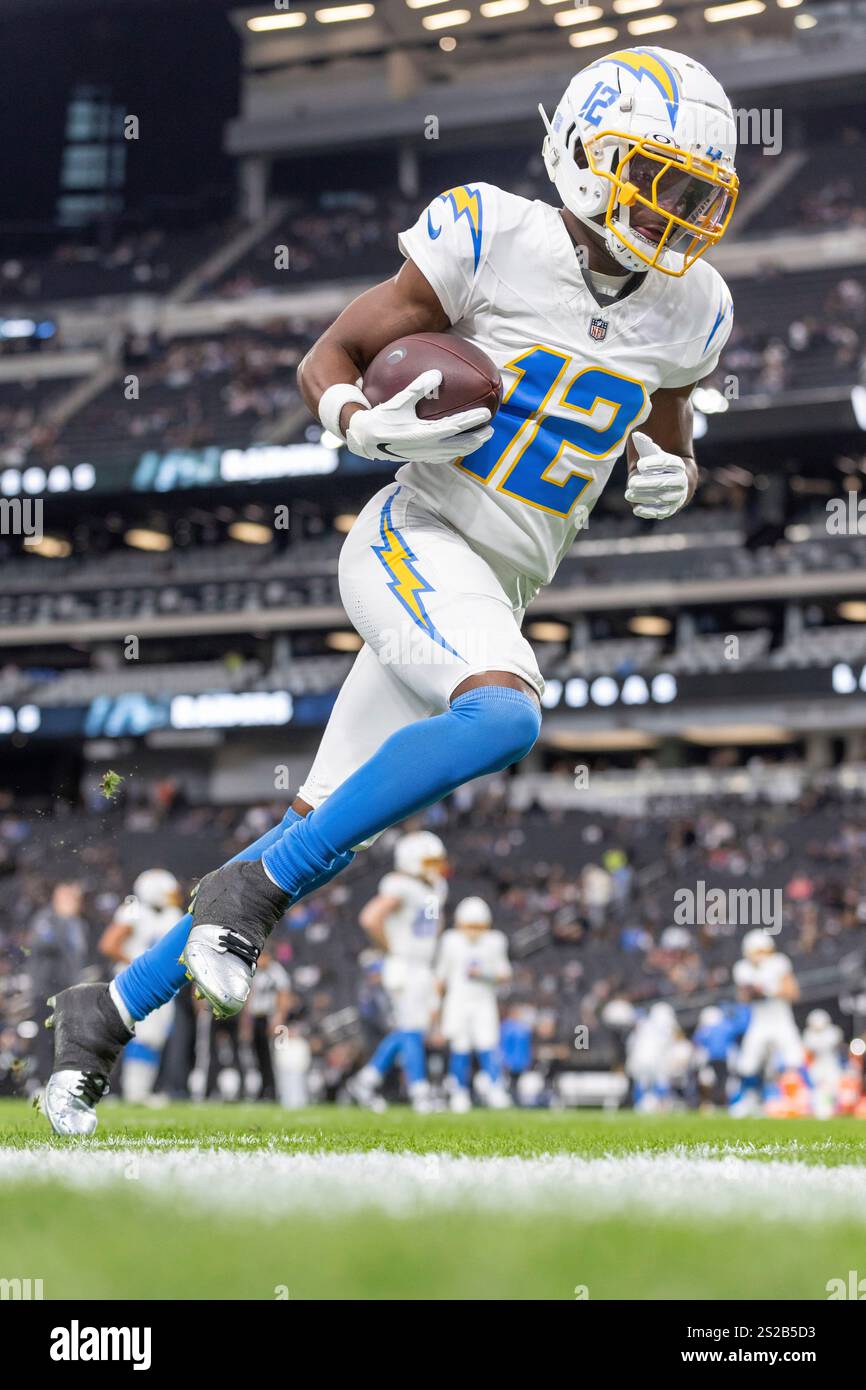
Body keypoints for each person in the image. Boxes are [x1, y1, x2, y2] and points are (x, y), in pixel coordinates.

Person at [42, 45, 739, 1135]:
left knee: (319, 822)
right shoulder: (490, 233)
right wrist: (356, 421)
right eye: (657, 178)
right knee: (505, 709)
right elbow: (334, 352)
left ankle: (103, 1014)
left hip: (495, 583)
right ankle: (245, 898)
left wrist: (668, 476)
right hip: (414, 539)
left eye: (697, 192)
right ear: (588, 155)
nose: (678, 211)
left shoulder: (690, 309)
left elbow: (670, 441)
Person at [347, 831, 447, 1112]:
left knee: (408, 1030)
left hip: (421, 966)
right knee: (411, 1029)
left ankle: (365, 1081)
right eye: (429, 861)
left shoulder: (434, 888)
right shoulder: (400, 884)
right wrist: (391, 948)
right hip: (404, 964)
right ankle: (420, 1091)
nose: (435, 866)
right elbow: (369, 918)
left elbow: (434, 925)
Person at [98, 869, 183, 1103]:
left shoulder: (172, 914)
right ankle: (132, 1092)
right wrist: (139, 964)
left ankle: (140, 1091)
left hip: (162, 987)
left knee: (155, 1038)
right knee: (141, 1037)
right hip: (136, 984)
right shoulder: (134, 911)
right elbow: (108, 944)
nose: (174, 896)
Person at [435, 896, 512, 1111]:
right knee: (460, 1047)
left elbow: (505, 974)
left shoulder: (495, 941)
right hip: (458, 1001)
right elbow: (441, 977)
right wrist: (435, 1007)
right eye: (470, 926)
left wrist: (484, 974)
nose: (474, 932)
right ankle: (459, 1091)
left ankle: (496, 1088)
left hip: (483, 1001)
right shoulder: (450, 941)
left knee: (488, 1045)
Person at [729, 930, 804, 1116]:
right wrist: (753, 992)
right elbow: (742, 998)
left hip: (781, 1019)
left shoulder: (779, 963)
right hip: (760, 1021)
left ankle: (799, 1099)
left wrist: (769, 990)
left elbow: (793, 993)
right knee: (748, 1062)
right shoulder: (742, 968)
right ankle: (749, 1099)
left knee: (794, 1058)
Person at [29, 882, 88, 1083]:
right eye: (66, 897)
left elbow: (78, 957)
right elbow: (45, 944)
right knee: (46, 1039)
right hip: (47, 990)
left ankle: (63, 1082)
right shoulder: (45, 919)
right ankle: (42, 1081)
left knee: (68, 1039)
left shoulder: (79, 923)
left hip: (69, 990)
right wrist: (63, 919)